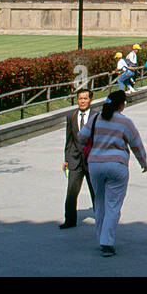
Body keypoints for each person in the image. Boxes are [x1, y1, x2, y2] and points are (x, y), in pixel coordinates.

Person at [76, 89, 147, 256]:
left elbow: (81, 137)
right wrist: (143, 162)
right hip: (117, 165)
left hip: (95, 164)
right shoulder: (125, 122)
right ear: (122, 105)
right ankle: (107, 242)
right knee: (113, 204)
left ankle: (101, 237)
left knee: (99, 202)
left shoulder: (95, 118)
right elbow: (136, 144)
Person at [60, 87, 97, 229]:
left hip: (92, 161)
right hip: (75, 161)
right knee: (71, 191)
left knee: (96, 192)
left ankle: (100, 217)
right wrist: (66, 159)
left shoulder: (97, 116)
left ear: (90, 100)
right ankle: (69, 220)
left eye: (85, 98)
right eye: (80, 98)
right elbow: (68, 139)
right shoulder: (71, 116)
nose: (82, 101)